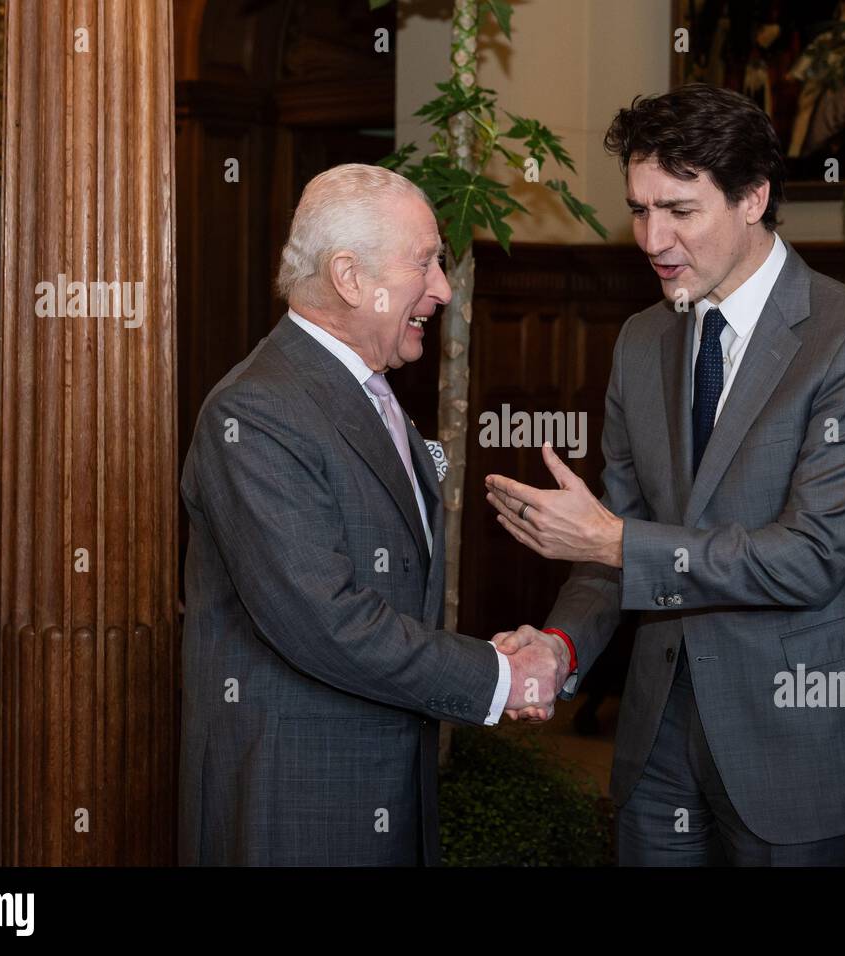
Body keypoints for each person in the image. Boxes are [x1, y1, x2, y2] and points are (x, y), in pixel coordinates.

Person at [486, 84, 845, 866]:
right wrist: (558, 647)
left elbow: (813, 555)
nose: (653, 238)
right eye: (639, 208)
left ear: (753, 198)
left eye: (680, 210)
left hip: (799, 738)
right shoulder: (640, 339)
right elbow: (609, 537)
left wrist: (616, 543)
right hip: (656, 735)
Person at [178, 164, 569, 866]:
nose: (443, 289)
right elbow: (324, 620)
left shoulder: (371, 392)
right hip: (297, 807)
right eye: (425, 262)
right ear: (350, 278)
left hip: (384, 788)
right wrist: (499, 676)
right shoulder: (257, 413)